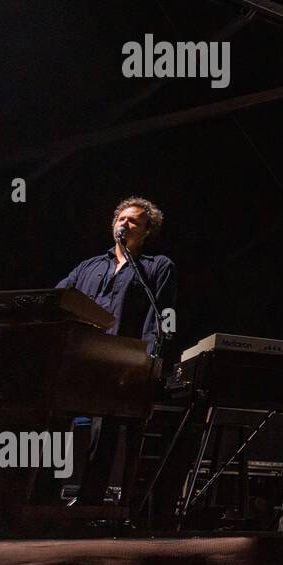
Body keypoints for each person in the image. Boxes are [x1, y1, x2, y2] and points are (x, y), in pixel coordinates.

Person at [56, 196, 177, 505]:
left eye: (133, 220)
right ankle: (42, 495)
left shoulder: (158, 266)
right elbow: (57, 299)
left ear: (148, 230)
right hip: (76, 359)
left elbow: (158, 318)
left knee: (105, 430)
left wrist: (146, 363)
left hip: (118, 362)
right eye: (120, 219)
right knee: (55, 422)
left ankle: (89, 501)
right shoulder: (89, 266)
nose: (124, 224)